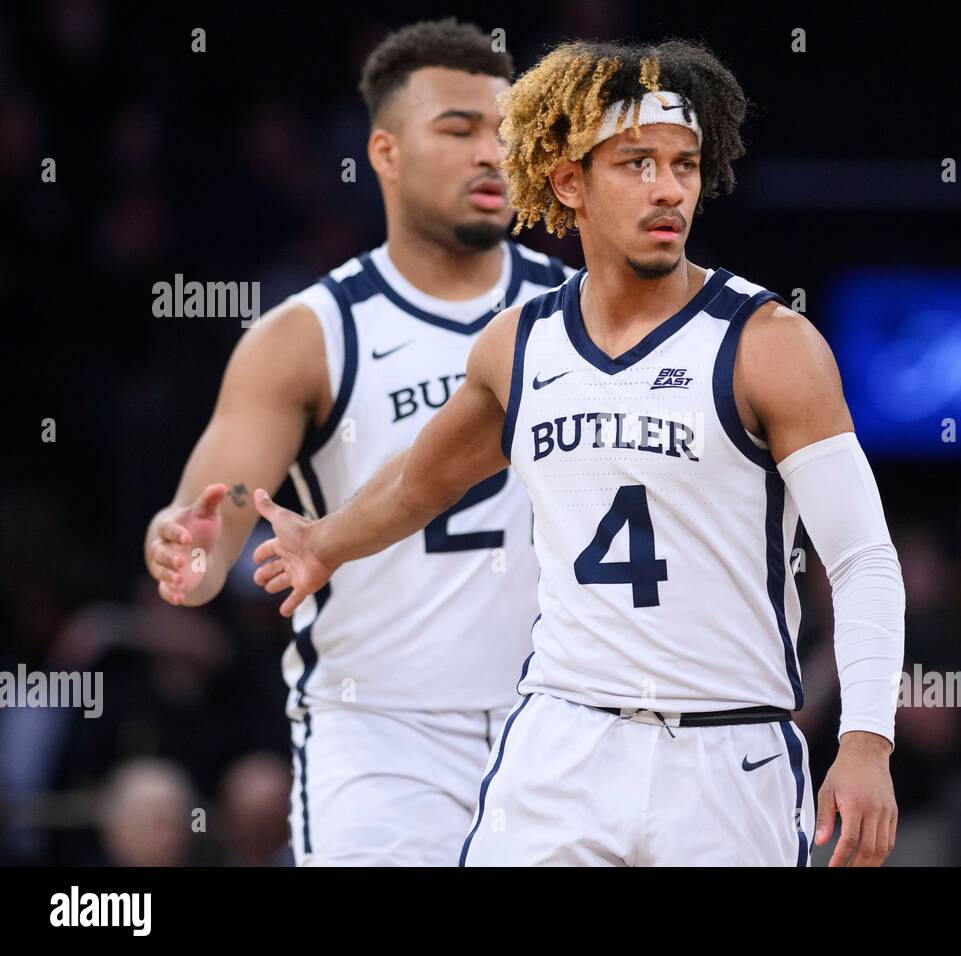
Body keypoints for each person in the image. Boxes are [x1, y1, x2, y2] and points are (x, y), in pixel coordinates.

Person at [252, 39, 905, 867]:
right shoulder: (518, 347)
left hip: (725, 751)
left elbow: (863, 560)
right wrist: (323, 541)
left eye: (686, 164)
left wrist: (867, 743)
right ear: (569, 181)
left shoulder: (769, 345)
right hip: (564, 739)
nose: (669, 189)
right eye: (637, 163)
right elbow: (422, 482)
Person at [142, 19, 571, 865]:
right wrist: (185, 547)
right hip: (382, 734)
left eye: (505, 132)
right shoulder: (309, 333)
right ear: (384, 153)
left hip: (565, 725)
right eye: (458, 129)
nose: (491, 154)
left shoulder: (586, 309)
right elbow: (212, 519)